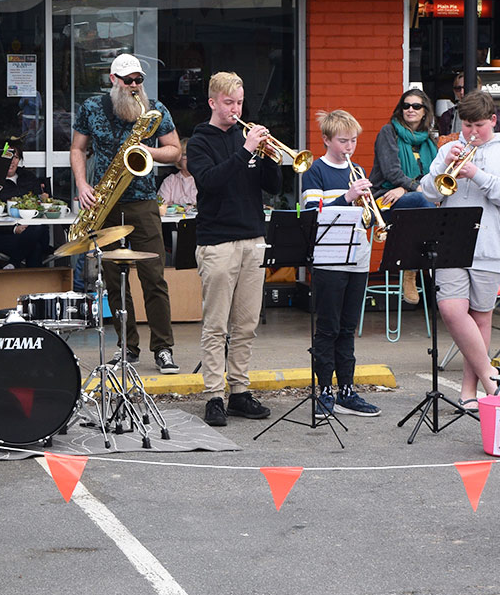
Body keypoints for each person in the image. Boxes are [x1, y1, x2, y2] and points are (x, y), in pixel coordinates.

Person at [71, 53, 182, 374]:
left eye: (138, 80)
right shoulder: (92, 107)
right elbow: (78, 148)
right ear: (113, 80)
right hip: (105, 202)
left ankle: (163, 348)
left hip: (143, 201)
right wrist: (82, 184)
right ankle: (127, 347)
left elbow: (175, 150)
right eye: (128, 80)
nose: (134, 85)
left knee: (153, 277)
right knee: (114, 279)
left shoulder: (154, 109)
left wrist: (149, 150)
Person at [417, 90, 500, 404]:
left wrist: (477, 175)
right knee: (451, 310)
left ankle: (468, 391)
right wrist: (443, 166)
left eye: (478, 125)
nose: (472, 132)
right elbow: (429, 193)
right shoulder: (449, 148)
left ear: (493, 120)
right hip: (451, 239)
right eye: (466, 125)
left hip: (490, 244)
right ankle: (491, 379)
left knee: (480, 318)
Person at [190, 71, 281, 427]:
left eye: (240, 102)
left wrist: (269, 156)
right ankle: (214, 394)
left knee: (246, 324)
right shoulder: (200, 141)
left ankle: (240, 392)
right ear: (213, 102)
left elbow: (273, 187)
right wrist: (246, 151)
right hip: (217, 242)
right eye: (229, 102)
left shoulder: (249, 138)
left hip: (253, 238)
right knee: (216, 326)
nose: (236, 109)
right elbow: (210, 182)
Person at [300, 110, 380, 417]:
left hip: (358, 255)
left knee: (348, 328)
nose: (349, 146)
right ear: (326, 139)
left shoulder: (357, 169)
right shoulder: (315, 171)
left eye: (353, 140)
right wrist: (347, 197)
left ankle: (347, 390)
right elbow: (313, 213)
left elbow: (366, 217)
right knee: (328, 328)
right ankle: (324, 391)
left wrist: (371, 207)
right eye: (343, 140)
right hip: (329, 259)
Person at [370, 87, 438, 304]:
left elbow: (433, 175)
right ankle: (414, 269)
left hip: (410, 197)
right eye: (406, 105)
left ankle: (423, 266)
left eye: (416, 106)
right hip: (384, 198)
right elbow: (391, 172)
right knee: (422, 200)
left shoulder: (429, 141)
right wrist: (414, 188)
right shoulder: (388, 132)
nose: (410, 109)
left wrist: (406, 189)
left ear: (425, 111)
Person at [0, 142, 52, 269]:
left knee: (37, 229)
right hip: (7, 235)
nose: (11, 161)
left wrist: (44, 198)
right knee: (36, 247)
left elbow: (41, 203)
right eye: (8, 156)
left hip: (36, 229)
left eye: (15, 157)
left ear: (19, 160)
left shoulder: (29, 177)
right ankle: (34, 281)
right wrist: (14, 229)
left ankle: (13, 263)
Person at [158, 138, 198, 209]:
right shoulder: (170, 181)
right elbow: (160, 206)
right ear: (178, 158)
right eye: (185, 155)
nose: (190, 159)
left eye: (193, 155)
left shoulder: (203, 179)